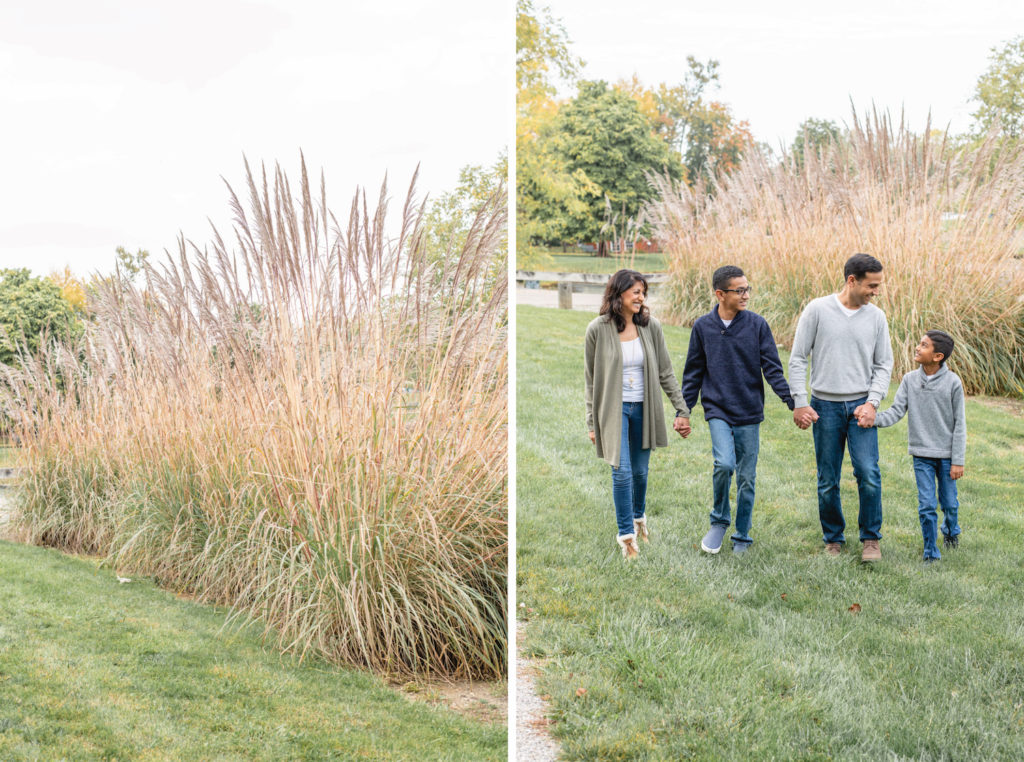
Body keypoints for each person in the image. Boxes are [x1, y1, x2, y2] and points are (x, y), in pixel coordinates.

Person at [680, 265, 794, 555]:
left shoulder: (757, 325)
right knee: (724, 464)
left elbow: (772, 369)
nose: (745, 295)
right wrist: (684, 411)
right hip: (717, 408)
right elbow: (693, 372)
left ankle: (742, 535)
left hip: (748, 411)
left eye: (747, 289)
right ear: (720, 294)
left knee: (746, 476)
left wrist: (794, 403)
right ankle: (719, 521)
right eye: (739, 290)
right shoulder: (703, 327)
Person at [789, 253, 894, 562]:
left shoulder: (876, 317)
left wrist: (873, 403)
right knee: (827, 479)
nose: (876, 291)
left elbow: (884, 365)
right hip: (825, 406)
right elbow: (797, 358)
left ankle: (870, 539)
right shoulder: (817, 310)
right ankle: (833, 538)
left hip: (861, 406)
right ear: (852, 280)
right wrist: (799, 402)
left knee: (868, 473)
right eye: (871, 285)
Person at [585, 269, 691, 559]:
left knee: (640, 472)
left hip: (644, 407)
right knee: (621, 472)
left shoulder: (651, 327)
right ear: (618, 294)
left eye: (643, 292)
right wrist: (591, 422)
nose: (641, 297)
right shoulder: (597, 329)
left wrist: (682, 408)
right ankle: (626, 537)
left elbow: (665, 371)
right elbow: (590, 380)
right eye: (635, 292)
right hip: (613, 410)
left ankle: (638, 518)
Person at [868, 330, 966, 561]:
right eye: (919, 343)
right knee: (927, 506)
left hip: (947, 456)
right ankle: (930, 552)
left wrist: (958, 461)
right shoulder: (910, 380)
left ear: (937, 356)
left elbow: (960, 424)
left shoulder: (953, 383)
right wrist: (875, 419)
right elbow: (896, 411)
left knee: (950, 504)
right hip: (921, 455)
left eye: (924, 345)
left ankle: (951, 531)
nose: (917, 348)